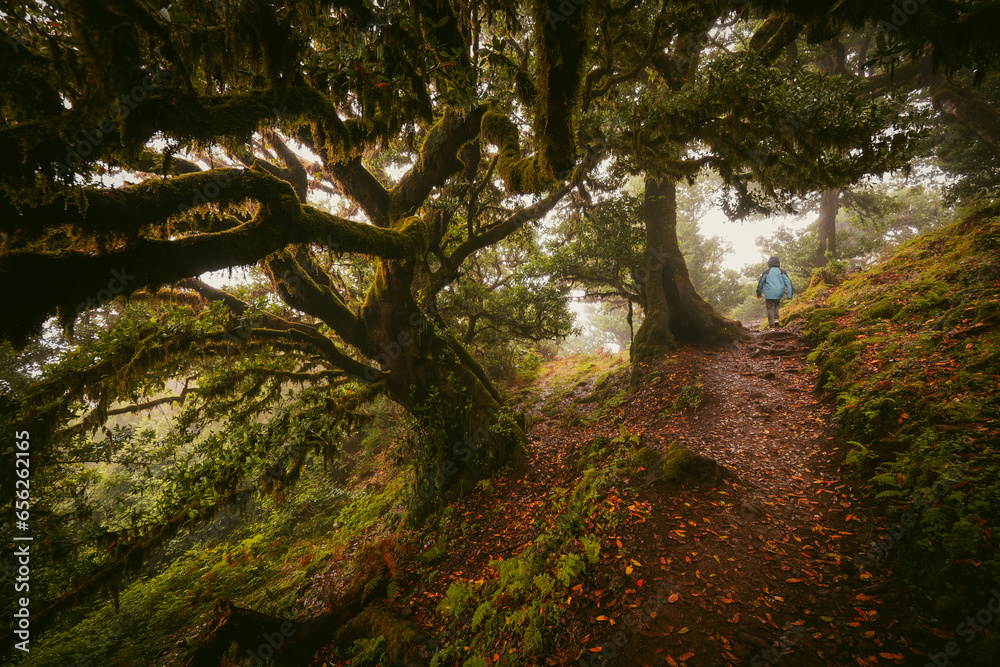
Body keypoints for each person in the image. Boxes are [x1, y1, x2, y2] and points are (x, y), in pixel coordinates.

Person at [756, 256, 793, 328]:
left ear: (769, 263)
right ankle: (776, 319)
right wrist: (789, 295)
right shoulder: (782, 272)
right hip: (779, 292)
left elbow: (761, 283)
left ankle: (772, 326)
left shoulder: (766, 272)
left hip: (769, 293)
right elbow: (788, 283)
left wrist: (758, 293)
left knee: (770, 308)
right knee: (776, 304)